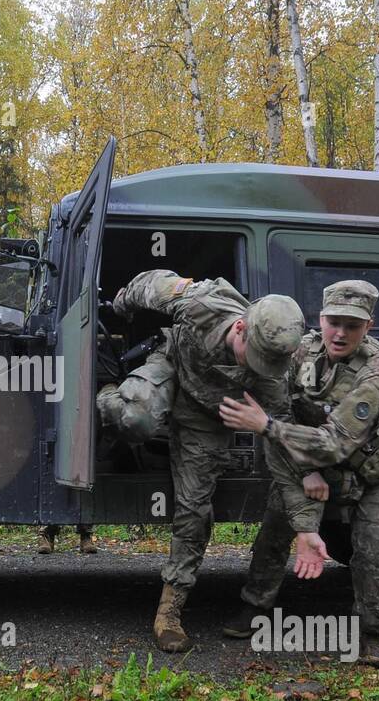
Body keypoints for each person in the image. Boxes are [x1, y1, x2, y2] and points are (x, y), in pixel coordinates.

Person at [218, 280, 379, 668]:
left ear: (367, 327)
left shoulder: (378, 372)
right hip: (315, 463)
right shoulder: (301, 351)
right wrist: (307, 471)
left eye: (352, 326)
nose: (340, 333)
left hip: (370, 472)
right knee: (277, 519)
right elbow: (280, 406)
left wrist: (267, 426)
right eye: (334, 322)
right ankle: (254, 607)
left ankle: (376, 633)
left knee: (375, 539)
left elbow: (334, 441)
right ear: (321, 319)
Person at [111, 269, 305, 652]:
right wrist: (121, 308)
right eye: (253, 357)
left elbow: (282, 438)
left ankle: (169, 610)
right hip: (173, 363)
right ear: (239, 328)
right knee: (134, 416)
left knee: (195, 509)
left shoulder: (273, 374)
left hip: (208, 416)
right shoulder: (201, 304)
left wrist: (301, 503)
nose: (256, 367)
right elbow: (148, 283)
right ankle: (108, 395)